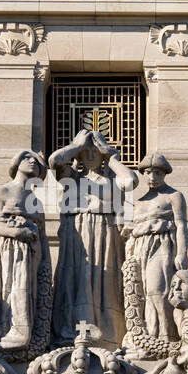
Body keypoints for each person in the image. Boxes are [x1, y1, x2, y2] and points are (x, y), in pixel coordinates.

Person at [48, 130, 138, 348]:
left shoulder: (112, 179)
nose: (89, 154)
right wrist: (77, 144)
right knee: (76, 279)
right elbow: (54, 161)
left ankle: (107, 333)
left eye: (94, 150)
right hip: (75, 232)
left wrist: (112, 157)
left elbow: (131, 181)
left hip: (105, 231)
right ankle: (74, 330)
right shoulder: (71, 176)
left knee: (103, 279)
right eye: (85, 151)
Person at [0, 151, 52, 360]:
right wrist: (19, 231)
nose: (32, 161)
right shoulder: (2, 191)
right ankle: (5, 330)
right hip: (9, 249)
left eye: (36, 161)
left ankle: (23, 333)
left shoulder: (35, 201)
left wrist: (44, 264)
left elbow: (42, 237)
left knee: (26, 292)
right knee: (8, 287)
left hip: (31, 253)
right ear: (16, 163)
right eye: (26, 157)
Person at [122, 152, 188, 351]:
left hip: (162, 244)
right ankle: (145, 336)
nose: (152, 177)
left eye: (157, 173)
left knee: (157, 290)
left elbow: (181, 225)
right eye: (149, 172)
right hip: (139, 248)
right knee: (140, 292)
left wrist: (182, 253)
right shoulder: (139, 201)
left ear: (164, 173)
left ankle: (165, 337)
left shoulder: (174, 196)